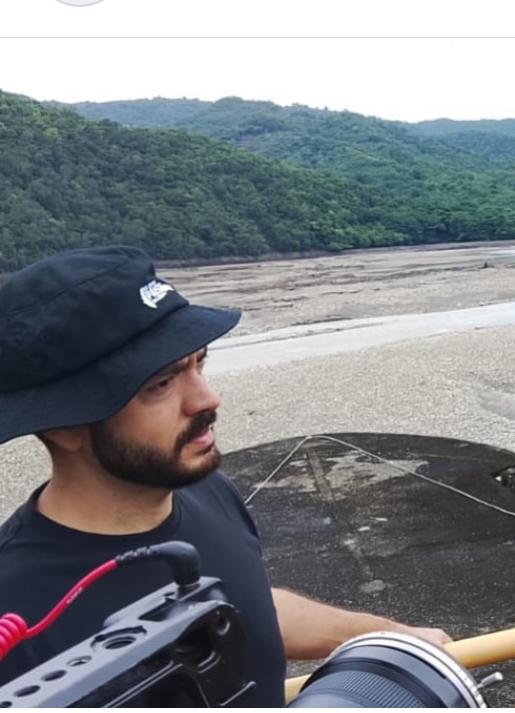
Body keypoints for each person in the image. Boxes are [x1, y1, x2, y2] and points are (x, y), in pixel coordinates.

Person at [0, 246, 449, 706]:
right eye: (160, 384)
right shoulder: (14, 606)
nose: (207, 399)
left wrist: (391, 638)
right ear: (63, 426)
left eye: (200, 363)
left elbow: (245, 604)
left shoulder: (206, 490)